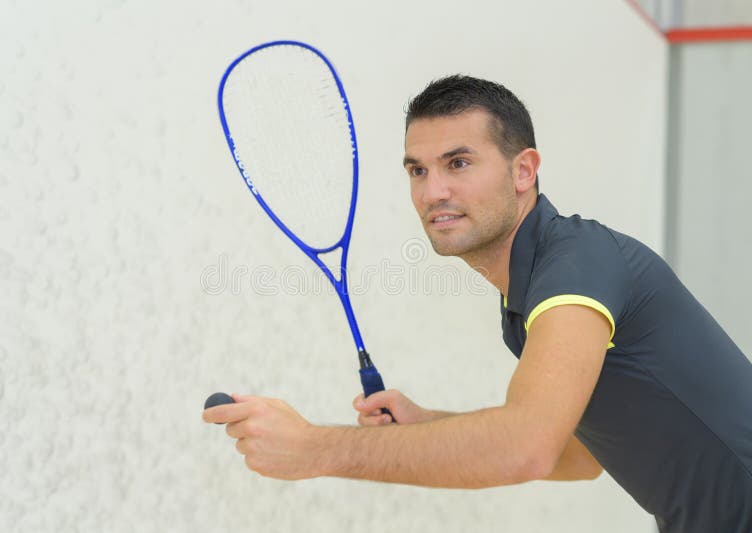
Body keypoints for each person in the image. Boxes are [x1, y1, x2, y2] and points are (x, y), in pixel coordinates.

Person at [203, 75, 752, 532]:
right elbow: (582, 456)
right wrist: (426, 424)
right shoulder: (526, 301)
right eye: (417, 170)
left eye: (458, 163)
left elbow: (526, 447)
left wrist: (315, 449)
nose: (432, 191)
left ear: (523, 171)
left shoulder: (578, 266)